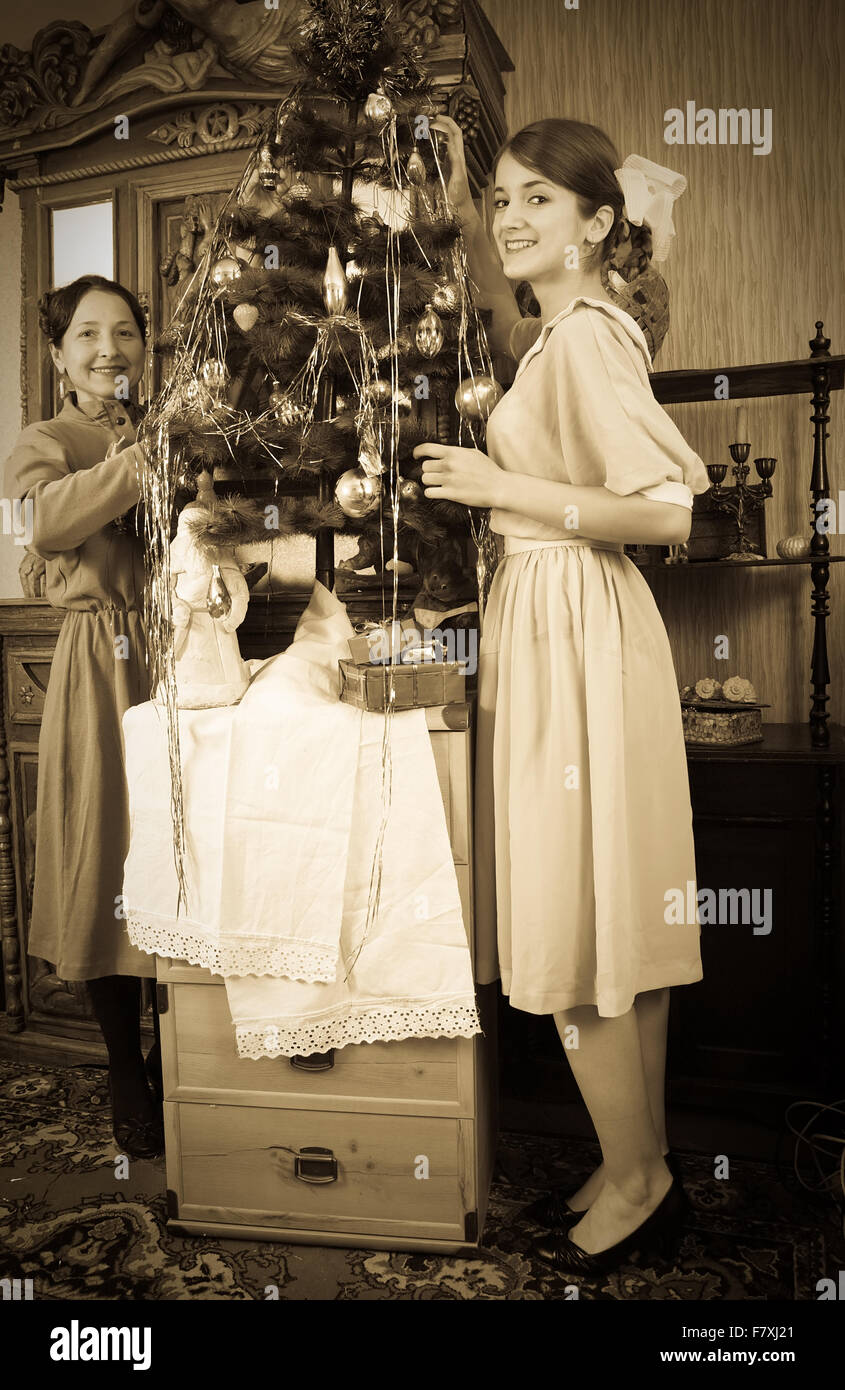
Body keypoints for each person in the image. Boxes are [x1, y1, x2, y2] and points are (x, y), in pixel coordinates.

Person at [414, 116, 711, 1276]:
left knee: (576, 916)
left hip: (576, 627)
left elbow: (668, 511)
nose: (509, 216)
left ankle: (640, 1181)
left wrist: (501, 484)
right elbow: (564, 480)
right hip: (563, 625)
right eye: (499, 198)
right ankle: (639, 1160)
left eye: (539, 197)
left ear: (596, 222)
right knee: (608, 915)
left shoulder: (585, 336)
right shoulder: (560, 338)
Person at [3, 275, 163, 1159]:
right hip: (100, 661)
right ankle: (123, 1068)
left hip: (179, 656)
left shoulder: (171, 431)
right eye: (91, 335)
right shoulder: (46, 440)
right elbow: (39, 525)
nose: (112, 350)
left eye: (128, 333)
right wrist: (144, 463)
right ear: (61, 355)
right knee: (106, 846)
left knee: (180, 849)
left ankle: (178, 1054)